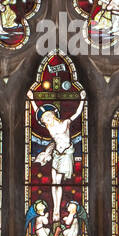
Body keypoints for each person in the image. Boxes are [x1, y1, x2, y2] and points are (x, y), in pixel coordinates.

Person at [30, 90, 84, 220]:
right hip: (56, 154)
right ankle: (55, 208)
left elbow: (77, 113)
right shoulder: (49, 127)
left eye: (47, 117)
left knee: (58, 182)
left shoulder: (65, 123)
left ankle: (57, 210)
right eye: (44, 119)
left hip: (66, 154)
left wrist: (82, 99)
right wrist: (32, 99)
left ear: (53, 114)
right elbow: (38, 112)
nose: (46, 120)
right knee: (54, 182)